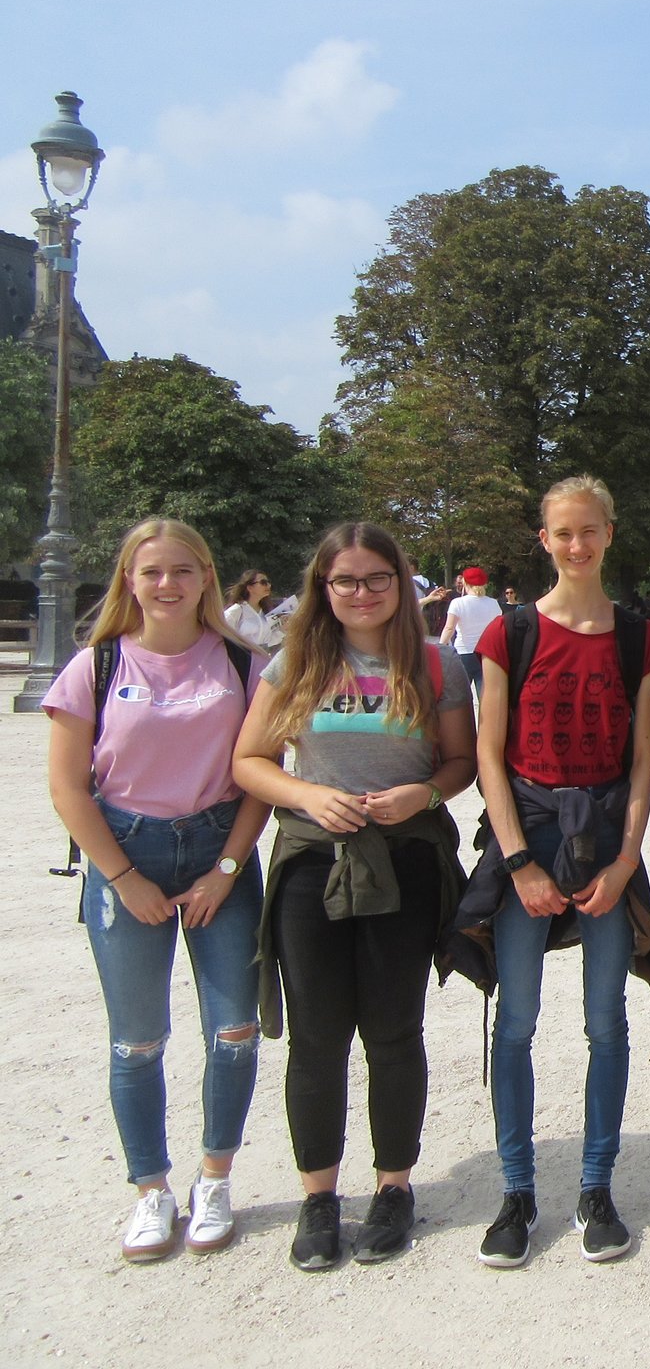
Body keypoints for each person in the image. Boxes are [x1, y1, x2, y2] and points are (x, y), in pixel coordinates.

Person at [231, 523, 475, 1270]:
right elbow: (249, 761)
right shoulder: (294, 663)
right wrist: (306, 793)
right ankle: (318, 1196)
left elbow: (461, 762)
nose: (362, 593)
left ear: (401, 586)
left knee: (395, 1031)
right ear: (323, 589)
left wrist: (424, 791)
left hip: (403, 858)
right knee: (317, 1036)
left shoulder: (435, 664)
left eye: (377, 579)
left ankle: (393, 1185)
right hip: (313, 859)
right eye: (346, 581)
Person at [45, 520, 272, 1263]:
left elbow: (259, 774)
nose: (168, 584)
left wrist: (229, 869)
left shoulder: (243, 663)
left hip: (218, 852)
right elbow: (68, 787)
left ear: (208, 577)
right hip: (126, 849)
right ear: (129, 581)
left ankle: (215, 1177)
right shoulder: (96, 664)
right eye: (152, 573)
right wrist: (122, 876)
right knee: (137, 1040)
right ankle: (151, 1189)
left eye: (183, 570)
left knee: (234, 1030)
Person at [468, 477, 650, 1267]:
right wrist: (517, 861)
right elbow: (489, 754)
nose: (577, 544)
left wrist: (624, 862)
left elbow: (646, 763)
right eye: (563, 532)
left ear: (609, 535)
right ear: (544, 539)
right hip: (530, 834)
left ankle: (595, 1184)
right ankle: (518, 1189)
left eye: (589, 531)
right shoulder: (509, 633)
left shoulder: (637, 638)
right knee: (515, 1022)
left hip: (603, 843)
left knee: (605, 1023)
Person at [438, 566, 503, 695]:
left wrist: (440, 647)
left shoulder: (458, 603)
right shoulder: (493, 603)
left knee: (460, 696)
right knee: (484, 695)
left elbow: (449, 628)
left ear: (465, 583)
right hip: (485, 653)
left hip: (464, 652)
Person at [224, 570, 286, 651]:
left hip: (262, 659)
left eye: (268, 582)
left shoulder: (265, 612)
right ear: (250, 587)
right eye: (263, 582)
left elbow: (270, 641)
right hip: (242, 659)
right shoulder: (237, 610)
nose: (268, 585)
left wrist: (282, 630)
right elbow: (222, 636)